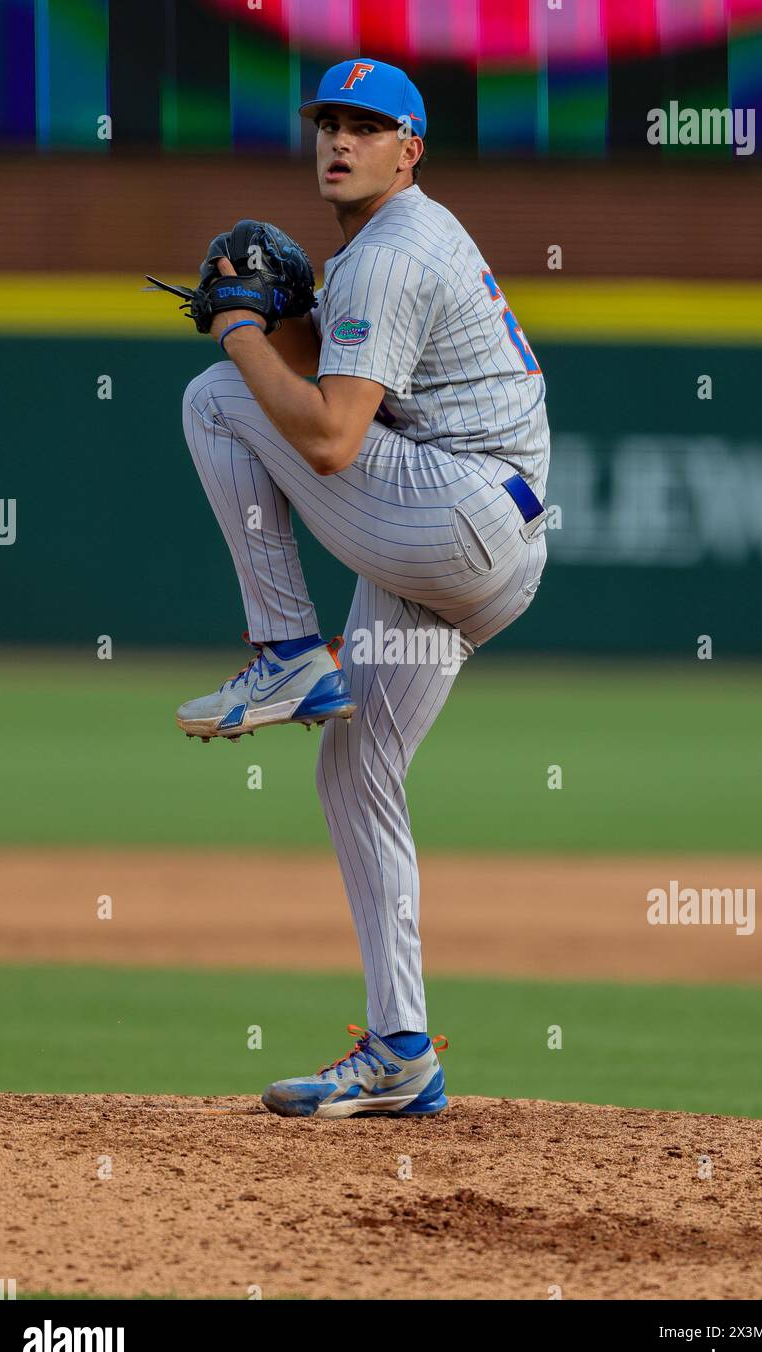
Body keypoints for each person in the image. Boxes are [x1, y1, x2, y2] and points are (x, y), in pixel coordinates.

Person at [178, 58, 550, 1119]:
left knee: (214, 398)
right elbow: (339, 400)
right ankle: (400, 1049)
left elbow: (331, 439)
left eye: (366, 125)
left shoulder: (390, 253)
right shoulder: (383, 250)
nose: (338, 139)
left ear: (409, 149)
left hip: (452, 517)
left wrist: (241, 329)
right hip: (474, 548)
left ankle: (284, 649)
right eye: (326, 123)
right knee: (354, 770)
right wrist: (289, 318)